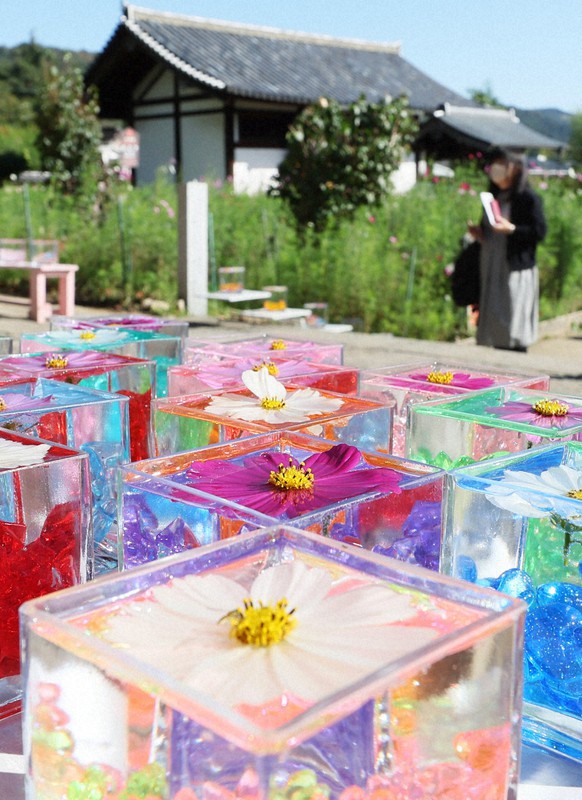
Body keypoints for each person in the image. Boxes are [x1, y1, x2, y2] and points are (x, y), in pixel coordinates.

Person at [468, 149, 547, 352]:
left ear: (515, 168)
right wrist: (479, 233)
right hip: (492, 265)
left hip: (514, 267)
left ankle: (515, 355)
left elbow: (539, 232)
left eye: (502, 164)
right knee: (494, 314)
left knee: (512, 314)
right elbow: (489, 230)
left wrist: (511, 229)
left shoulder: (528, 198)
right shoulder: (494, 197)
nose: (497, 169)